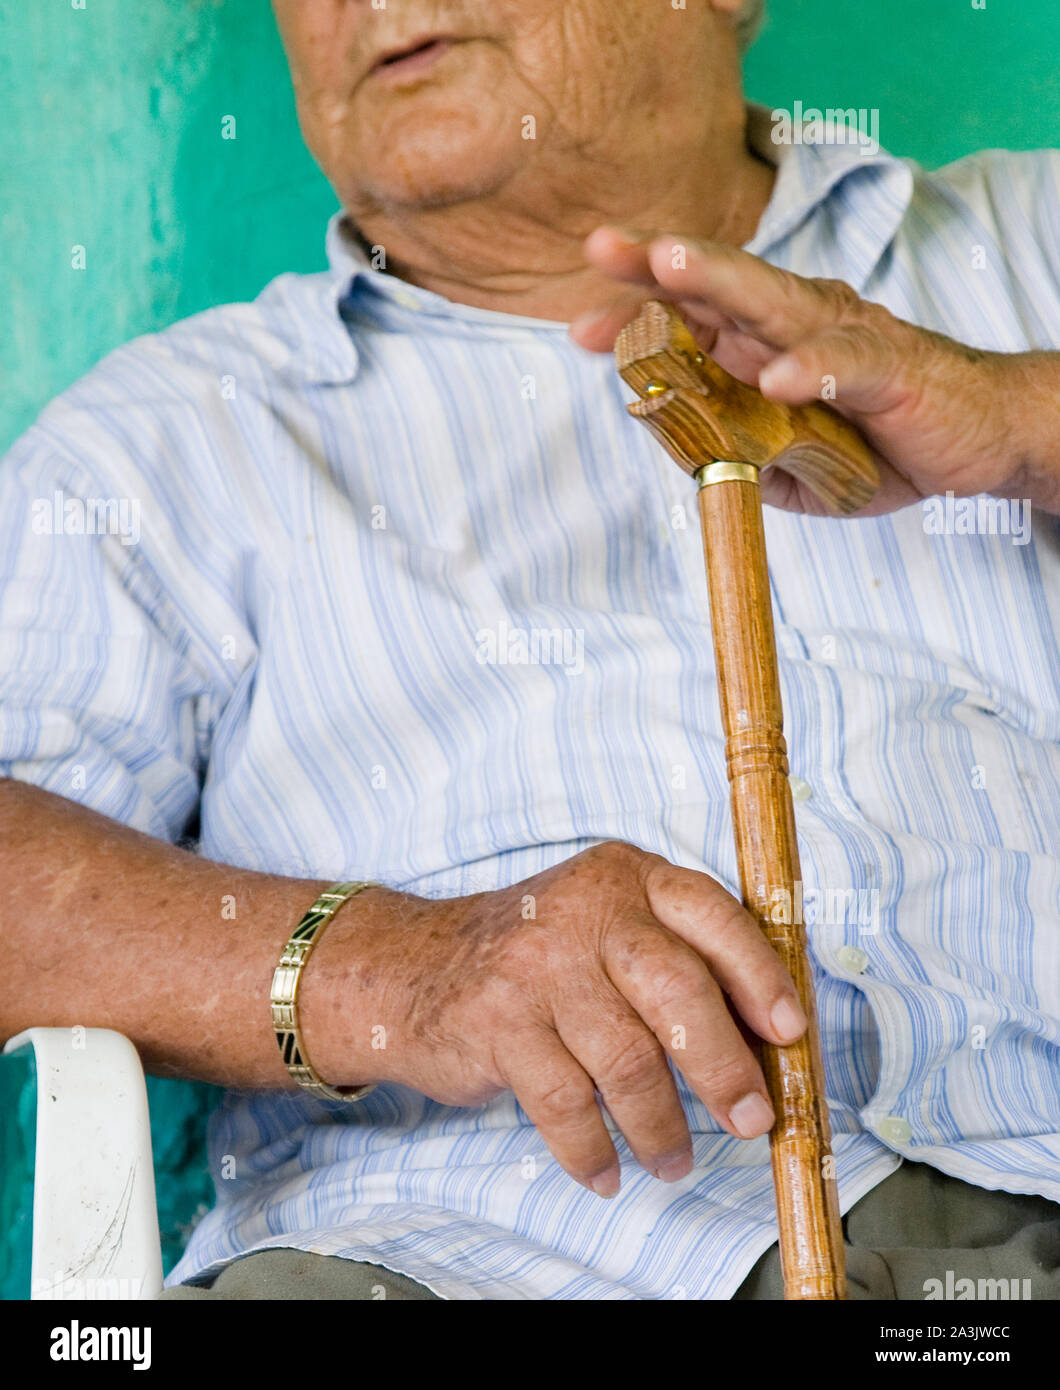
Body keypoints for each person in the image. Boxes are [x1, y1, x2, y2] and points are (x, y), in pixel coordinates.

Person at [3, 0, 1059, 1300]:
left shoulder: (1036, 243)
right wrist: (395, 964)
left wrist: (1021, 412)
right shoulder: (163, 445)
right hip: (470, 1258)